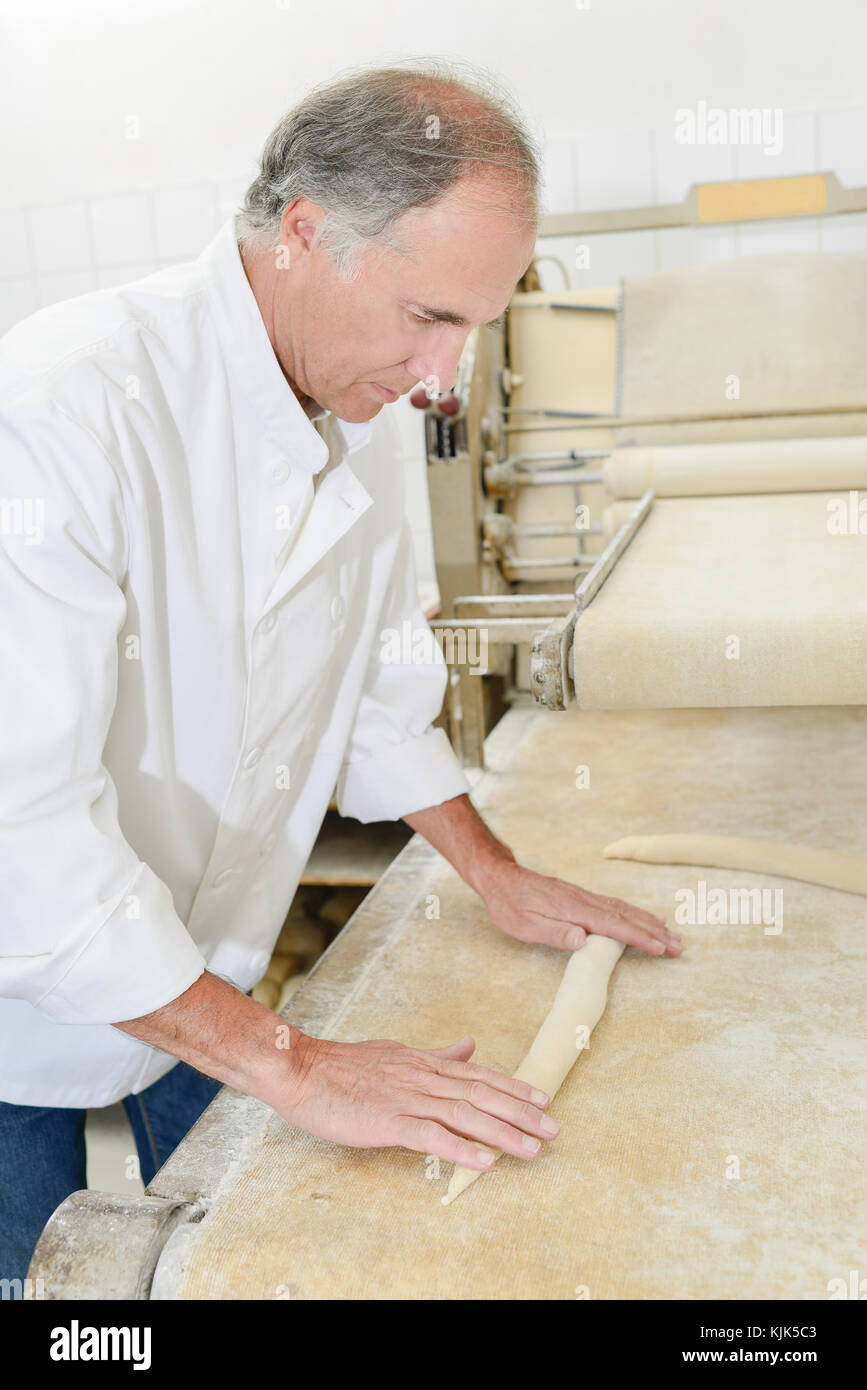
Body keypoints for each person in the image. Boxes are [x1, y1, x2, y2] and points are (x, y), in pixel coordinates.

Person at [0, 60, 680, 1284]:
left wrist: (495, 871)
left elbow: (371, 691)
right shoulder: (60, 408)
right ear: (305, 231)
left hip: (201, 970)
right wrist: (296, 1064)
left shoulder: (339, 419)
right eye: (432, 317)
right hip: (18, 984)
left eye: (477, 327)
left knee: (230, 1243)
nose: (445, 381)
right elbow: (20, 835)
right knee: (44, 1276)